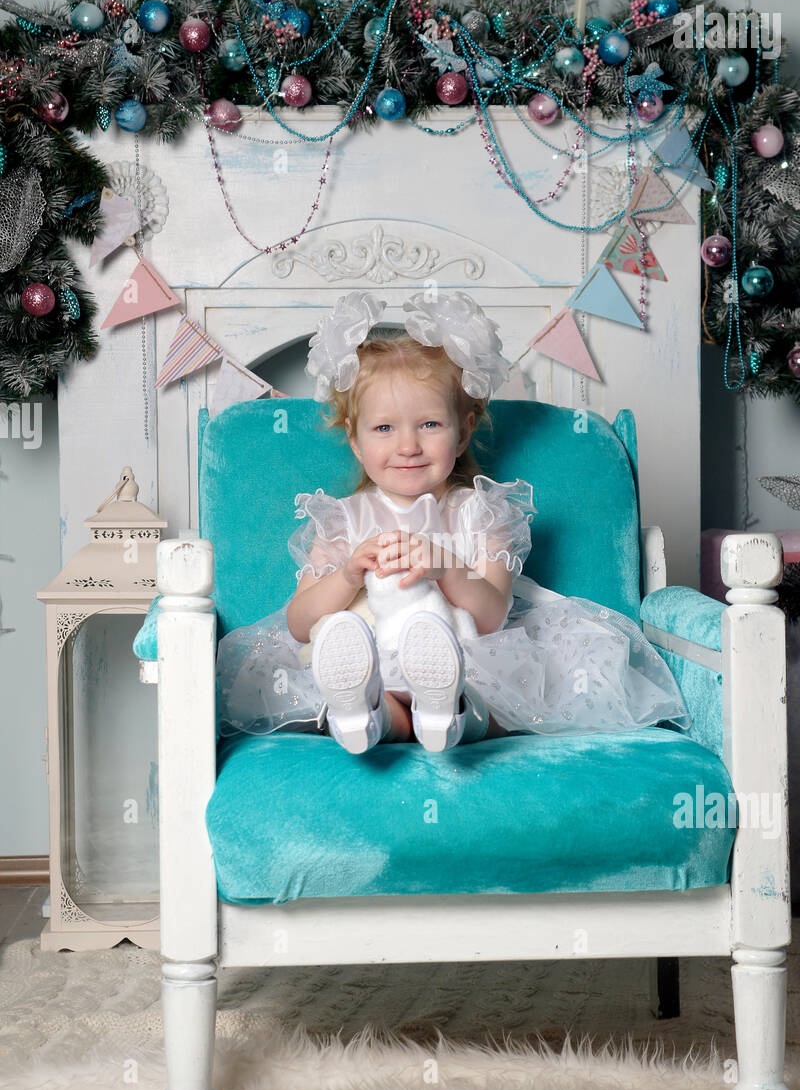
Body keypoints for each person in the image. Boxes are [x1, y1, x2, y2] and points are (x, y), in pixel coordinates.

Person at [215, 289, 691, 753]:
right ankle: (364, 712)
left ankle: (446, 710)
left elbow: (490, 616)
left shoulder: (482, 513)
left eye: (429, 425)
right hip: (370, 656)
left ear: (463, 433)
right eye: (384, 428)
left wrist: (447, 568)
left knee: (492, 694)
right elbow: (300, 623)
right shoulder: (342, 522)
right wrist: (348, 575)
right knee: (352, 678)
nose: (407, 446)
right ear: (357, 442)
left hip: (466, 655)